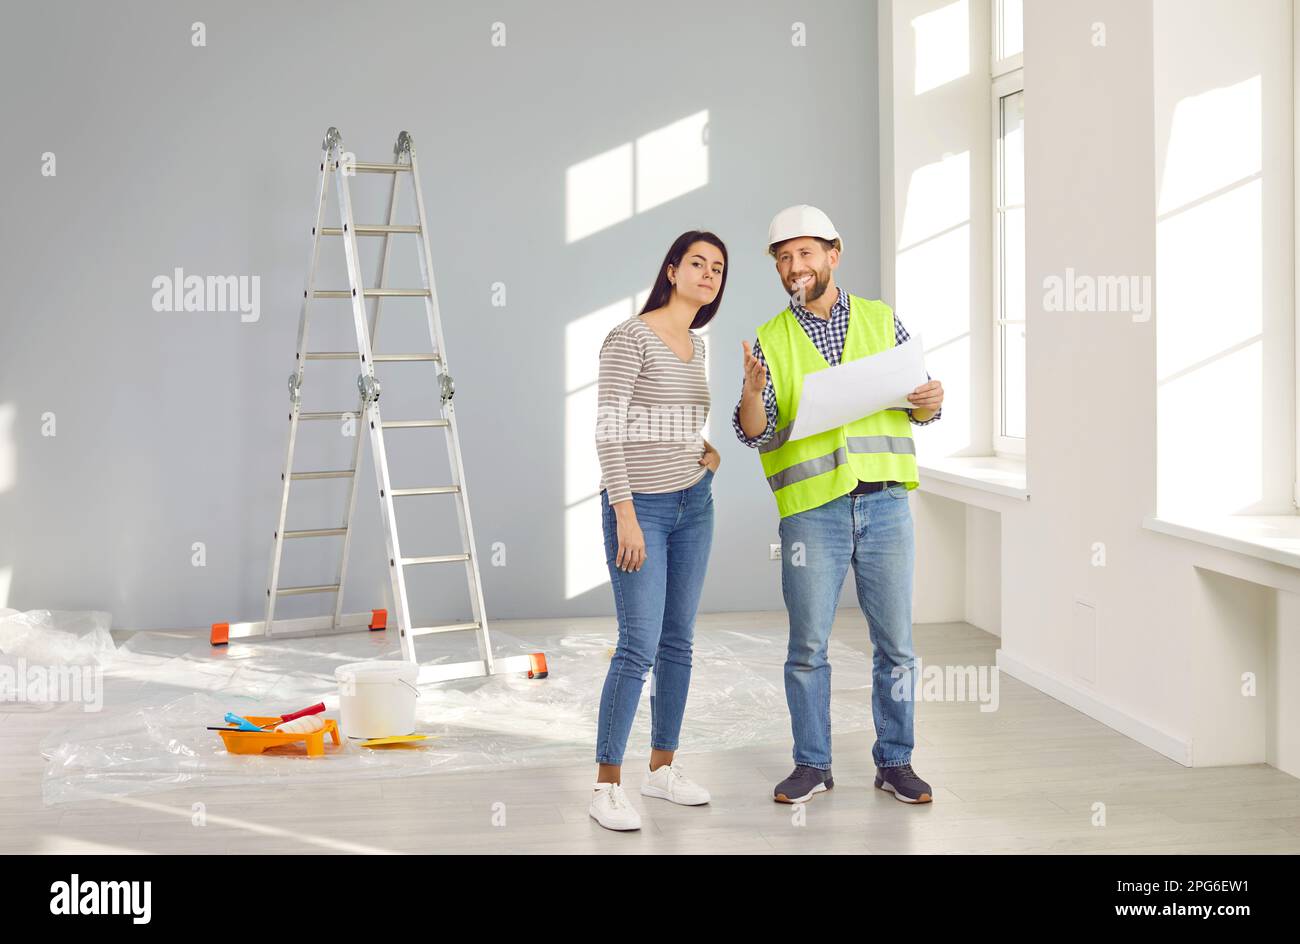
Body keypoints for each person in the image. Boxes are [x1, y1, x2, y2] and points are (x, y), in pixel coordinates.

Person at [733, 205, 944, 805]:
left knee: (896, 645)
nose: (794, 266)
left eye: (804, 253)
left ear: (833, 254)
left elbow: (920, 407)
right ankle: (812, 764)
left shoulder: (883, 322)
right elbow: (755, 432)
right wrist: (751, 392)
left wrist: (930, 400)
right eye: (783, 257)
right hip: (812, 514)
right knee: (807, 648)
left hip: (885, 507)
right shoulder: (770, 339)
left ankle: (896, 763)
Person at [589, 230, 728, 831]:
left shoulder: (697, 347)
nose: (707, 273)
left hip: (693, 504)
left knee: (678, 643)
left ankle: (662, 769)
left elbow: (670, 418)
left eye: (717, 268)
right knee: (637, 646)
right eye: (697, 263)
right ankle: (606, 784)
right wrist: (624, 514)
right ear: (672, 271)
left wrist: (705, 451)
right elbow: (610, 430)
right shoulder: (629, 337)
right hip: (639, 509)